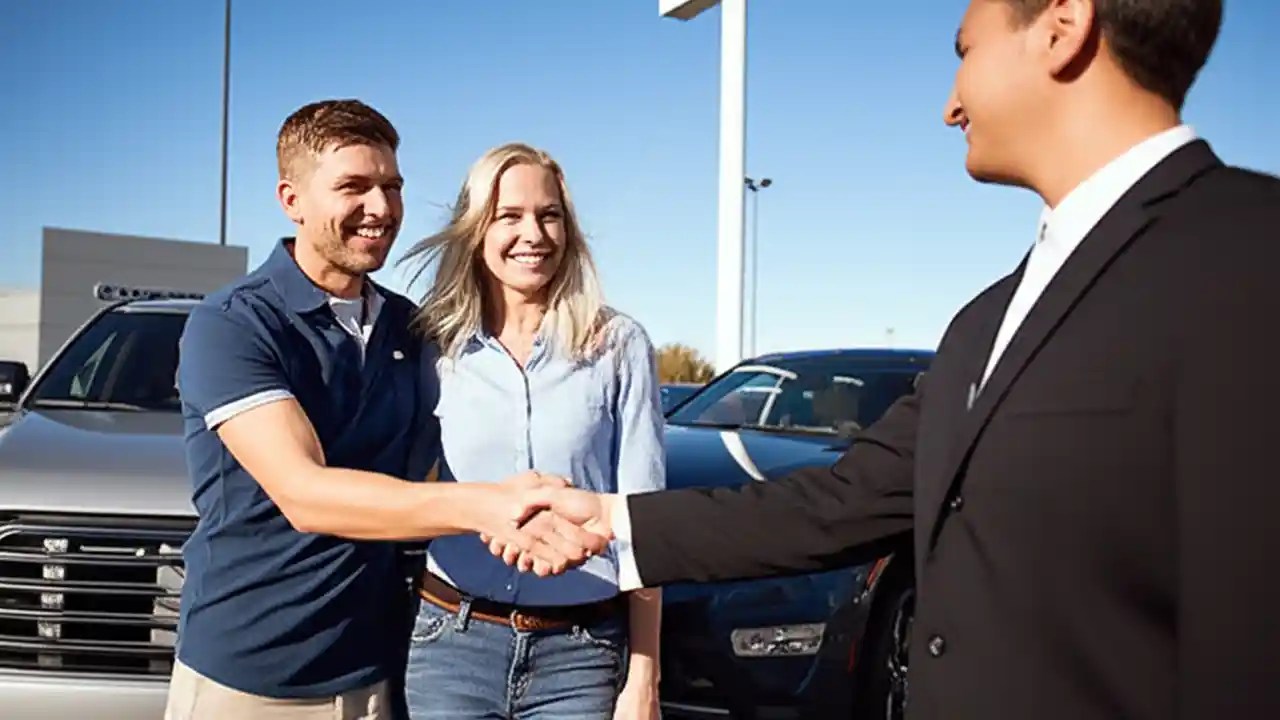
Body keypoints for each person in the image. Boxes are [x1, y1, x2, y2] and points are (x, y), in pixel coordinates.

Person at [497, 1, 1280, 718]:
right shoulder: (987, 320)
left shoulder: (1252, 258)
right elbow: (841, 500)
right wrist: (610, 519)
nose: (950, 105)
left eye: (964, 50)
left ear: (1062, 26)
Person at [169, 101, 606, 720]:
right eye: (353, 186)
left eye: (391, 187)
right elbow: (306, 494)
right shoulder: (234, 325)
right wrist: (490, 506)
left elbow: (441, 463)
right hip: (253, 676)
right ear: (291, 199)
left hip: (382, 670)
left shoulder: (411, 326)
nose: (380, 208)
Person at [396, 142, 666, 720]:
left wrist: (644, 678)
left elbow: (644, 524)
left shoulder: (619, 346)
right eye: (509, 216)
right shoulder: (434, 349)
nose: (534, 234)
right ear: (475, 230)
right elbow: (408, 491)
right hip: (451, 647)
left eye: (549, 215)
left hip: (581, 657)